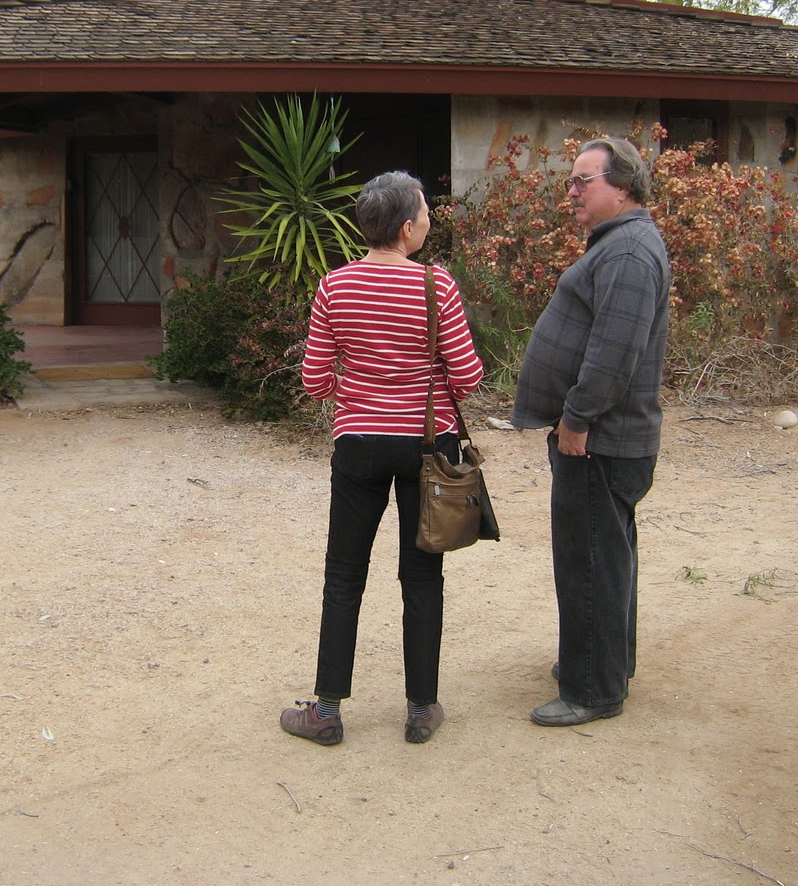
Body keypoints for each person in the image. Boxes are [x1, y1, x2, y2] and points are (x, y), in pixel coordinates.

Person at [280, 171, 484, 746]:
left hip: (359, 445)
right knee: (422, 575)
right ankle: (421, 708)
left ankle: (325, 710)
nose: (429, 219)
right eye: (424, 212)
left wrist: (364, 390)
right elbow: (467, 377)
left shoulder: (333, 286)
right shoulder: (435, 286)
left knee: (344, 574)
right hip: (427, 444)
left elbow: (315, 380)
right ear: (405, 227)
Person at [511, 137, 670, 727]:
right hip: (602, 438)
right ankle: (604, 662)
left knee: (590, 559)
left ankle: (592, 690)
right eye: (571, 180)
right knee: (606, 555)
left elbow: (613, 354)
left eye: (585, 180)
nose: (572, 191)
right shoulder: (620, 244)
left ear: (622, 186)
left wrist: (576, 419)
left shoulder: (627, 254)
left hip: (599, 439)